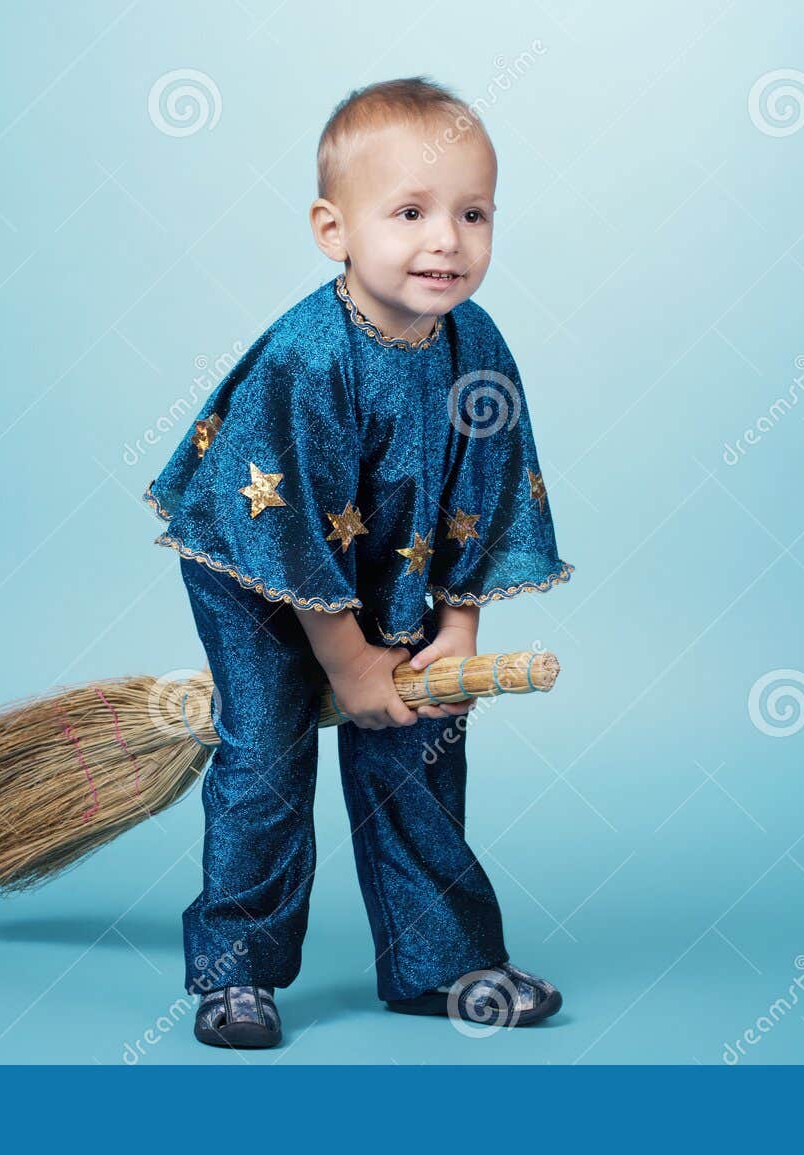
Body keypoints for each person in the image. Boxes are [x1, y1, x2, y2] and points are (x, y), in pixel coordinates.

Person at [143, 76, 573, 1048]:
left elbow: (485, 491)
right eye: (410, 213)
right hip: (255, 560)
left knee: (416, 742)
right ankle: (236, 968)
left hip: (393, 557)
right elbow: (282, 525)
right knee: (265, 751)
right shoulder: (310, 359)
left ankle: (442, 961)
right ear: (333, 230)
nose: (446, 242)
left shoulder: (476, 344)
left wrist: (453, 631)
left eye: (473, 214)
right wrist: (348, 664)